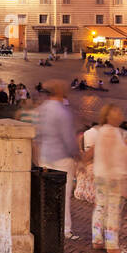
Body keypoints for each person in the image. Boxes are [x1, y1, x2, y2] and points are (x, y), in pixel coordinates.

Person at [82, 103, 127, 253]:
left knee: (100, 207)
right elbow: (115, 156)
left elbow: (92, 151)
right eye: (117, 112)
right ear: (109, 116)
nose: (120, 114)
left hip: (101, 176)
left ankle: (97, 239)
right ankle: (112, 245)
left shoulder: (102, 131)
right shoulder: (116, 133)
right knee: (113, 211)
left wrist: (83, 164)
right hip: (113, 177)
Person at [35, 82, 80, 239]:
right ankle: (64, 229)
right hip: (62, 158)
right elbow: (68, 138)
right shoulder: (62, 111)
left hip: (45, 156)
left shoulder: (41, 109)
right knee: (63, 195)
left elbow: (37, 134)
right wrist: (77, 155)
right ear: (60, 93)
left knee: (47, 194)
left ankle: (45, 225)